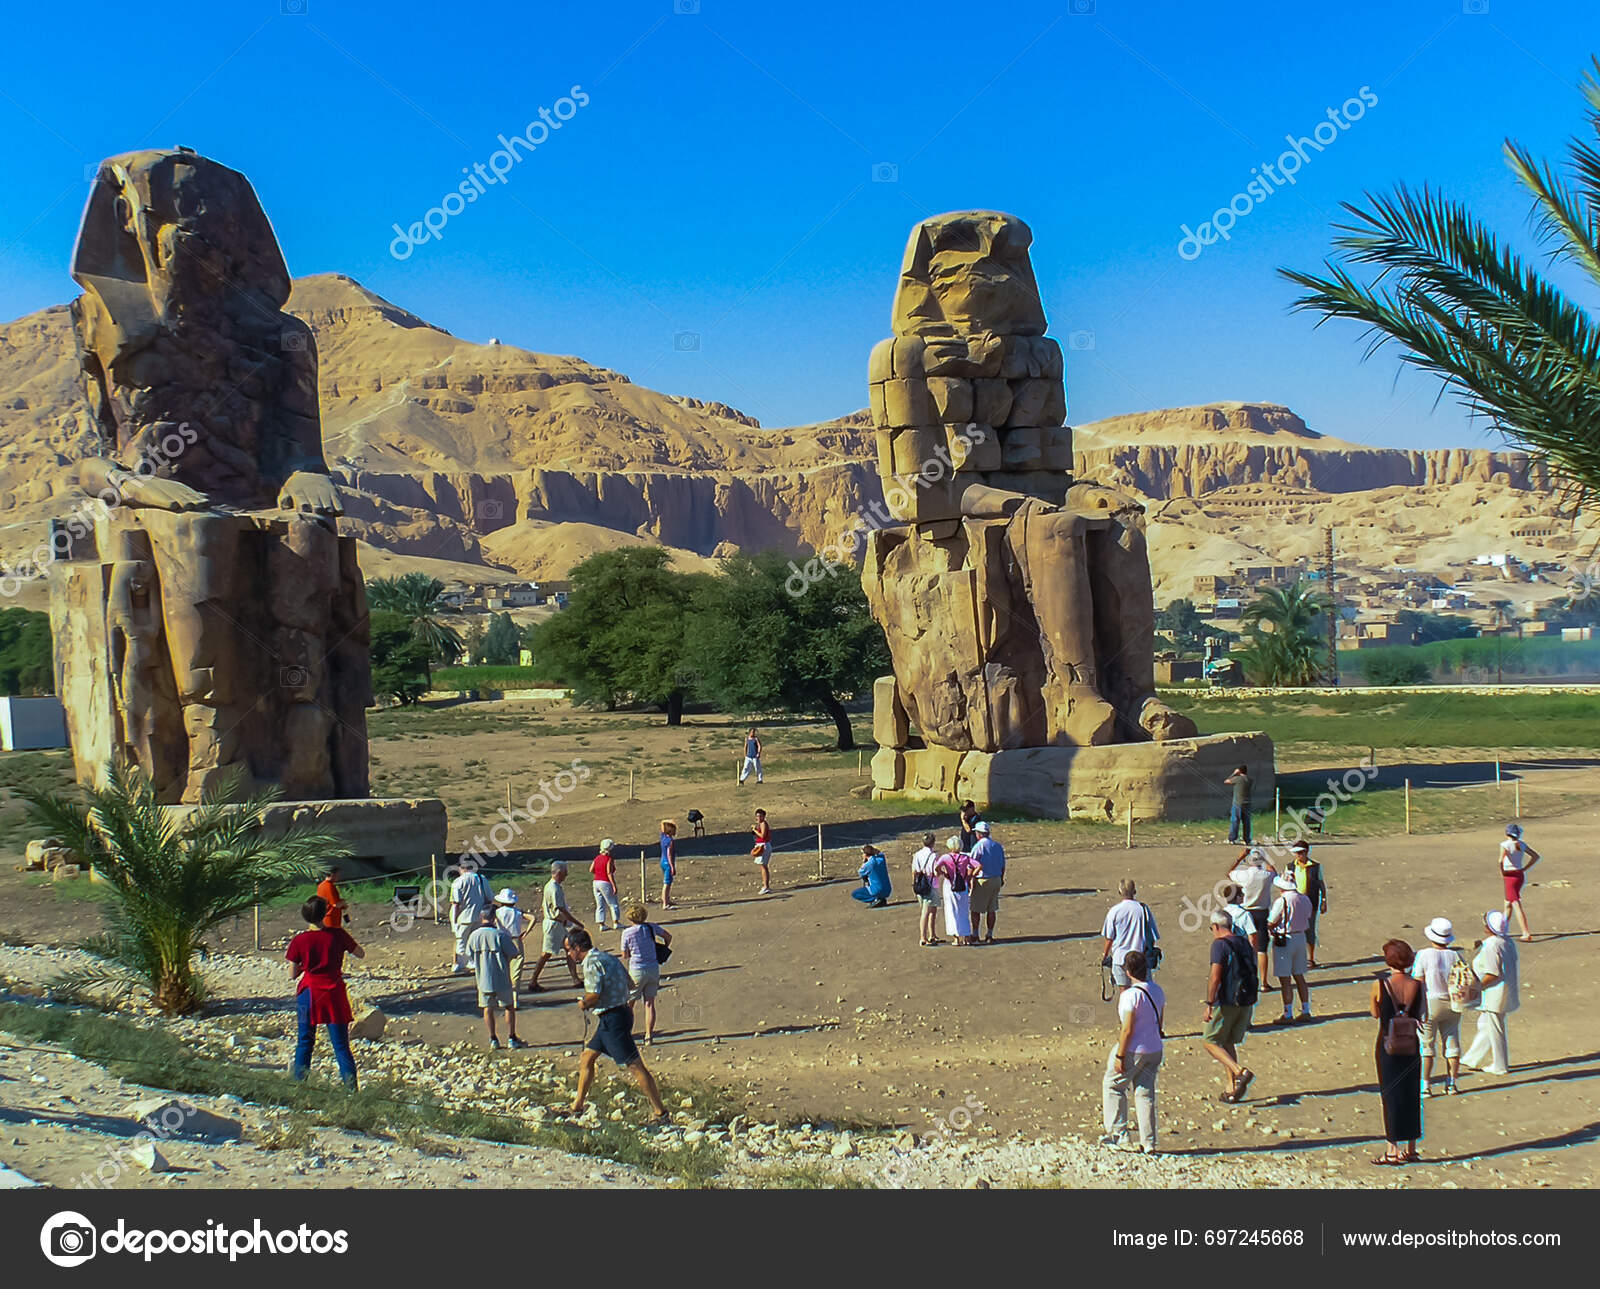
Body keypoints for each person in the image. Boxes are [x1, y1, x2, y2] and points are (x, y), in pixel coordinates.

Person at [565, 928, 669, 1123]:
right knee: (587, 1057)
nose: (569, 955)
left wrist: (584, 1003)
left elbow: (594, 995)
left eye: (569, 950)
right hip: (619, 1013)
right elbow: (630, 983)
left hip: (612, 1019)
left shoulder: (590, 963)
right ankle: (576, 1106)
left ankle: (660, 1113)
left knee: (635, 1066)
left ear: (577, 948)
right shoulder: (607, 957)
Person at [287, 895, 363, 1088]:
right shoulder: (338, 935)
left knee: (305, 1042)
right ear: (326, 913)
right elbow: (360, 953)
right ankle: (351, 1090)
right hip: (334, 993)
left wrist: (307, 964)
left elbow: (292, 974)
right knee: (341, 1046)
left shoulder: (299, 940)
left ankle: (299, 1087)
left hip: (309, 993)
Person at [1100, 949, 1165, 1154]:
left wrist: (1120, 1055)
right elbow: (1159, 1022)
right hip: (1154, 1048)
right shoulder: (1157, 990)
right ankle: (1149, 1143)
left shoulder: (1129, 995)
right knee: (1145, 1094)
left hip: (1134, 1049)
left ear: (1128, 972)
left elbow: (1127, 1028)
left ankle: (1120, 1136)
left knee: (1113, 1086)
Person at [1371, 938, 1425, 1164]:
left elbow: (1375, 1013)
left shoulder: (1381, 985)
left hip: (1387, 1043)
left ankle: (1392, 1149)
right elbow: (1422, 1016)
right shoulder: (1418, 985)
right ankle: (1411, 1147)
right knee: (1412, 1093)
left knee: (1390, 1094)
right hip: (1411, 1044)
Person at [1202, 910, 1257, 1103]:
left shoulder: (1219, 945)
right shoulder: (1244, 942)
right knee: (1227, 1042)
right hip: (1245, 1000)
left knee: (1209, 1041)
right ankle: (1232, 1088)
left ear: (1216, 926)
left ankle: (1240, 1071)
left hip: (1226, 1001)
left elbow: (1215, 976)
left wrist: (1209, 1003)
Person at [1462, 911, 1520, 1076]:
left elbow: (1493, 973)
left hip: (1495, 993)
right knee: (1485, 1025)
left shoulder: (1492, 945)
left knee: (1495, 1029)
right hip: (1505, 990)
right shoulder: (1507, 941)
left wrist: (1476, 987)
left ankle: (1500, 1065)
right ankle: (1472, 1058)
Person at [1410, 917, 1463, 1096]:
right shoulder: (1455, 956)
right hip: (1452, 1003)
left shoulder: (1424, 954)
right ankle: (1452, 1084)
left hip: (1430, 1002)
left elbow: (1417, 980)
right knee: (1452, 1043)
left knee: (1426, 1046)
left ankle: (1425, 1085)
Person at [468, 905, 526, 1050]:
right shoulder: (500, 935)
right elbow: (514, 953)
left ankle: (493, 1038)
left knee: (487, 1008)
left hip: (483, 979)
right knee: (509, 1007)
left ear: (482, 917)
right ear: (494, 918)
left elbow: (469, 953)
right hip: (501, 978)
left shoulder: (474, 935)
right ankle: (512, 1038)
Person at [528, 861, 583, 992]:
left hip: (557, 923)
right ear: (559, 873)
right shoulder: (554, 888)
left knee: (569, 948)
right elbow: (561, 909)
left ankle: (575, 979)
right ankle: (533, 981)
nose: (566, 875)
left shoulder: (551, 886)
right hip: (553, 924)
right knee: (546, 953)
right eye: (564, 873)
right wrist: (576, 922)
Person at [620, 904, 671, 1045]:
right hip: (653, 968)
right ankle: (649, 1035)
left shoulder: (627, 933)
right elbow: (668, 936)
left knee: (630, 1003)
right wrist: (663, 948)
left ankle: (626, 1032)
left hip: (636, 969)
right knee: (649, 1004)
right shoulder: (651, 927)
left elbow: (625, 955)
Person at [1226, 847, 1276, 987]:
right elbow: (1274, 872)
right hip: (1262, 912)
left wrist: (1239, 857)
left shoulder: (1245, 875)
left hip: (1247, 911)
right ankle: (1264, 982)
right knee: (1262, 949)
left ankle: (1244, 979)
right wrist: (1266, 859)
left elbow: (1229, 873)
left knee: (1243, 947)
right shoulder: (1266, 875)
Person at [1267, 873, 1313, 1023]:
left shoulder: (1282, 901)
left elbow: (1272, 921)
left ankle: (1288, 1013)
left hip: (1285, 939)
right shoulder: (1304, 899)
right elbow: (1308, 915)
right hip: (1300, 937)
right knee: (1299, 975)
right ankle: (1306, 1010)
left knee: (1285, 978)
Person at [1099, 878, 1158, 993]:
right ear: (1134, 891)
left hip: (1120, 959)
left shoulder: (1114, 911)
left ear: (1120, 892)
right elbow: (1152, 937)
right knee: (1143, 992)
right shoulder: (1143, 909)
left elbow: (1109, 939)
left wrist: (1104, 956)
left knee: (1124, 994)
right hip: (1139, 958)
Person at [933, 836, 980, 946]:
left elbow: (936, 868)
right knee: (963, 911)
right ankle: (967, 937)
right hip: (963, 885)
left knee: (951, 911)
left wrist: (943, 873)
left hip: (950, 885)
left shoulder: (946, 857)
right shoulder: (965, 857)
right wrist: (969, 876)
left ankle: (956, 938)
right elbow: (978, 866)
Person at [449, 865, 494, 975]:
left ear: (461, 869)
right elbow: (489, 898)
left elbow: (455, 903)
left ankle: (458, 963)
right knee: (476, 940)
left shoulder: (458, 882)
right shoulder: (481, 879)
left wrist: (454, 921)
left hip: (463, 917)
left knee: (460, 940)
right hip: (480, 916)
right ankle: (474, 962)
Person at [1499, 823, 1540, 942]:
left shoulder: (1504, 845)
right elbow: (1535, 856)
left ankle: (1526, 932)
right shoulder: (1521, 844)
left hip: (1509, 876)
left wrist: (1502, 872)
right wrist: (1525, 868)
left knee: (1515, 903)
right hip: (1519, 875)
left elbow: (1500, 861)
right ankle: (1501, 930)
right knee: (1508, 903)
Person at [1290, 840, 1327, 969]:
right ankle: (1298, 957)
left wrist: (1323, 901)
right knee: (1295, 930)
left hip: (1311, 902)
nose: (1298, 855)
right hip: (1295, 903)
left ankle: (1310, 958)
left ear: (1306, 852)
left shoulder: (1316, 867)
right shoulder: (1290, 867)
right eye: (1296, 853)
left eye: (1300, 853)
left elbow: (1321, 885)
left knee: (1309, 930)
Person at [968, 821, 1006, 943]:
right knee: (991, 909)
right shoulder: (997, 846)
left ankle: (975, 934)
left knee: (975, 909)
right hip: (996, 879)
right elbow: (1003, 865)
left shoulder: (978, 847)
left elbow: (971, 865)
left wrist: (969, 880)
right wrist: (1001, 878)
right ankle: (989, 934)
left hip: (982, 880)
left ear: (979, 834)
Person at [494, 887, 531, 993]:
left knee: (502, 968)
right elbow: (533, 918)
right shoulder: (518, 912)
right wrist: (526, 932)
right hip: (515, 940)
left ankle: (503, 994)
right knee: (516, 971)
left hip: (501, 940)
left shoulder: (497, 912)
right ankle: (515, 997)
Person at [911, 833, 942, 946]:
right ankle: (923, 937)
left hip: (920, 885)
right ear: (933, 842)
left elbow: (914, 871)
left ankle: (932, 934)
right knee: (928, 912)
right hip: (931, 885)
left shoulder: (917, 855)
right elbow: (935, 872)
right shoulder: (934, 856)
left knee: (930, 911)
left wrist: (914, 884)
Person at [592, 838, 621, 931]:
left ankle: (601, 924)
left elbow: (591, 869)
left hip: (596, 882)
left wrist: (598, 873)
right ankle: (616, 922)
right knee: (613, 903)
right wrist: (614, 885)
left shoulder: (597, 858)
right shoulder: (609, 859)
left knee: (600, 904)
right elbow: (609, 872)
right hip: (605, 882)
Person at [1224, 765, 1252, 844]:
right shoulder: (1249, 780)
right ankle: (1247, 839)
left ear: (1239, 771)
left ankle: (1232, 839)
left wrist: (1234, 773)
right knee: (1246, 822)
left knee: (1235, 821)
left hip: (1238, 803)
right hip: (1248, 803)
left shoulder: (1237, 779)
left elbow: (1226, 781)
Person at [315, 865, 348, 930]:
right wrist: (343, 902)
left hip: (325, 917)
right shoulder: (329, 886)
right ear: (332, 874)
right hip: (331, 919)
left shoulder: (321, 886)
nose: (339, 876)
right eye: (338, 874)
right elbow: (335, 904)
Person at [751, 808, 773, 895]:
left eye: (760, 816)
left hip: (763, 845)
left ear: (764, 816)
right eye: (757, 816)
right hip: (760, 845)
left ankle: (766, 886)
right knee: (763, 866)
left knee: (763, 866)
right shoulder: (760, 824)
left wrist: (755, 830)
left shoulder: (763, 824)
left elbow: (763, 836)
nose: (758, 818)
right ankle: (765, 885)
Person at [658, 819, 678, 909]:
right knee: (667, 883)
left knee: (668, 882)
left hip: (662, 861)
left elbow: (662, 823)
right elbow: (669, 854)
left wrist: (668, 821)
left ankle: (667, 899)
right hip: (667, 863)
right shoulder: (670, 841)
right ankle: (665, 903)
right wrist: (672, 866)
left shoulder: (663, 837)